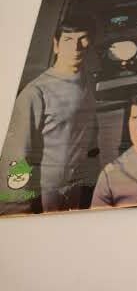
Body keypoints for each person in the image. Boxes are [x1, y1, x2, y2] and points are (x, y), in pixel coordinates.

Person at [0, 19, 98, 214]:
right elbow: (15, 155)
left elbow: (90, 135)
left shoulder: (87, 81)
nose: (76, 47)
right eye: (68, 39)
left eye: (82, 38)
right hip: (44, 194)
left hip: (77, 189)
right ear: (56, 45)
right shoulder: (35, 93)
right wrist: (16, 208)